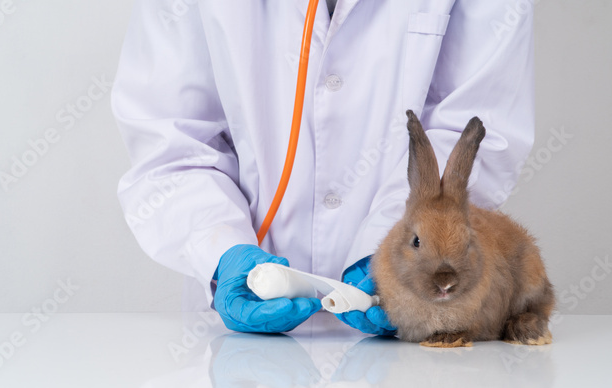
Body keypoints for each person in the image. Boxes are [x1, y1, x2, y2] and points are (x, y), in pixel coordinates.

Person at [111, 0, 534, 334]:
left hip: (416, 320)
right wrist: (220, 250)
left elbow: (477, 131)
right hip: (237, 352)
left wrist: (389, 256)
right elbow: (171, 139)